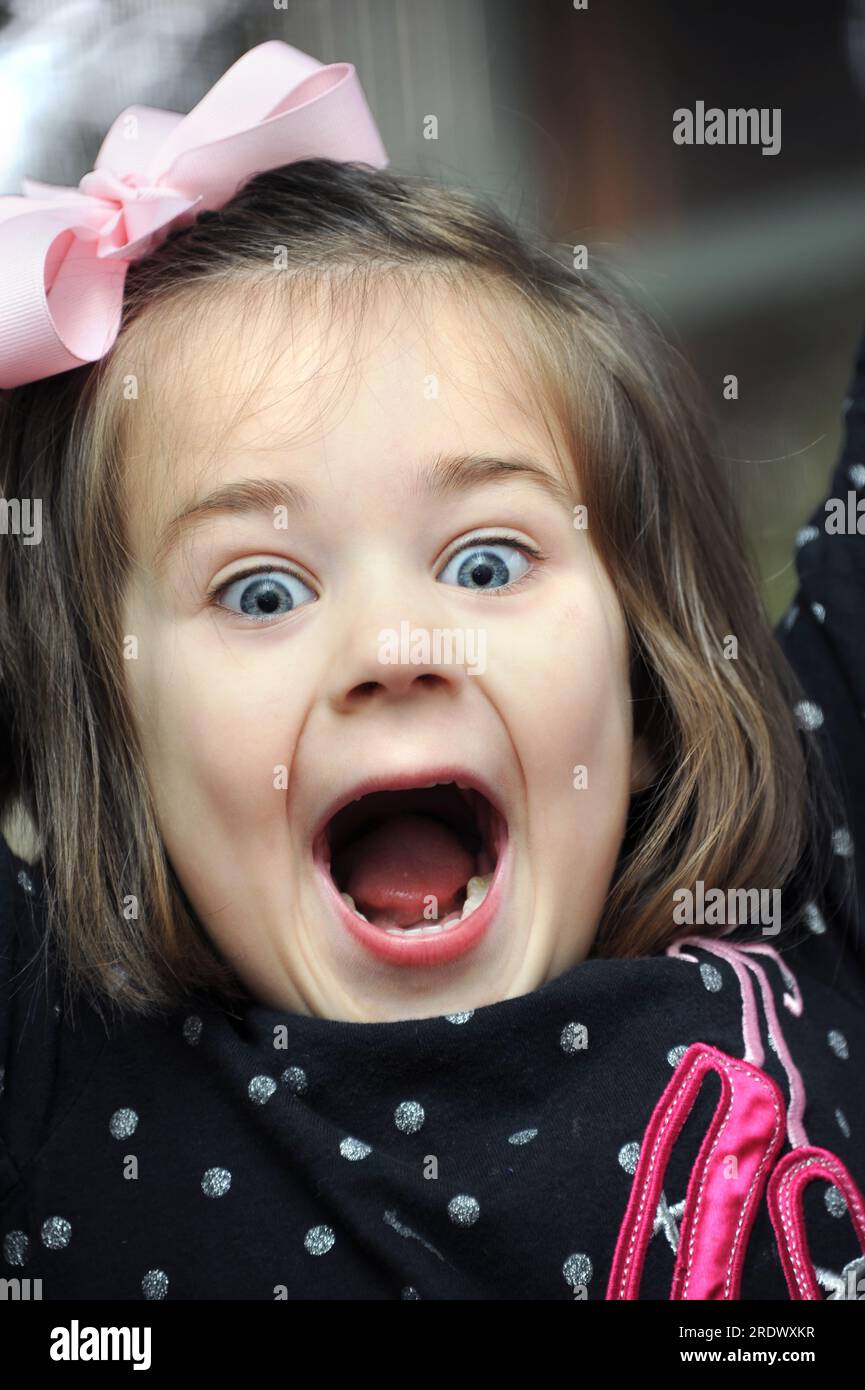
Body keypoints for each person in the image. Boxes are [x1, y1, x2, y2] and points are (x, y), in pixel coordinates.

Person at [0, 40, 863, 1301]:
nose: (395, 651)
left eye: (484, 563)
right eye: (261, 589)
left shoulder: (809, 882)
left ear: (644, 685)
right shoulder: (58, 1074)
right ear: (119, 743)